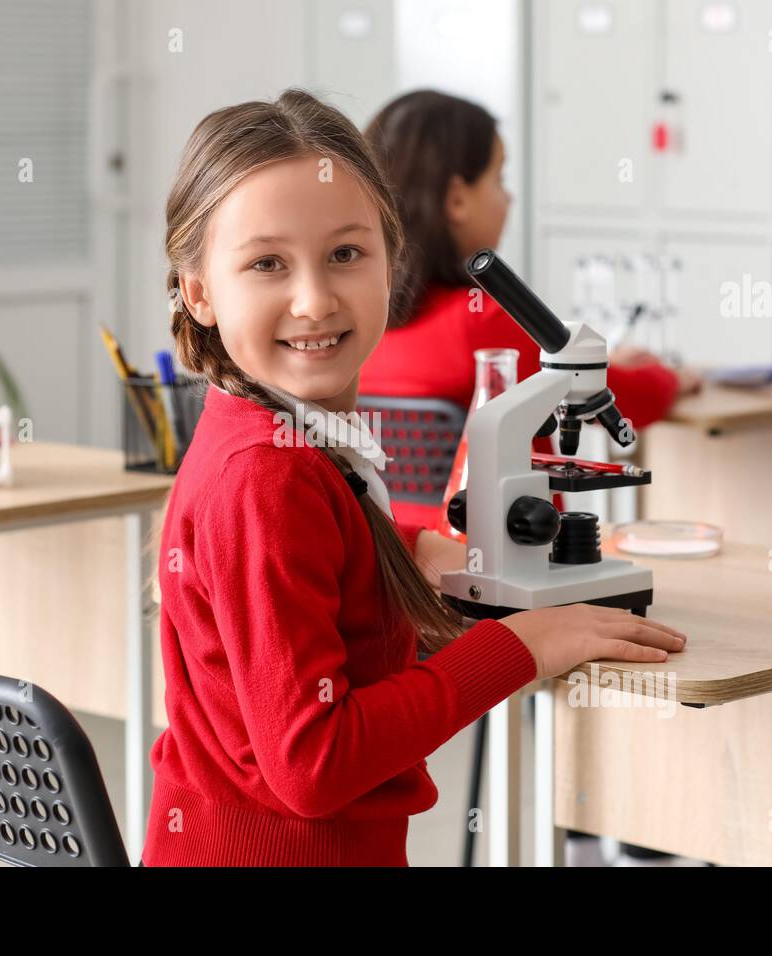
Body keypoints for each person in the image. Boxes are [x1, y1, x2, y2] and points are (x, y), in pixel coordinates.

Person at [142, 88, 687, 866]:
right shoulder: (266, 476)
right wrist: (523, 647)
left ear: (392, 260)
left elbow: (303, 556)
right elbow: (313, 764)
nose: (314, 298)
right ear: (198, 291)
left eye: (345, 254)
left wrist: (402, 547)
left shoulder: (260, 431)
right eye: (267, 263)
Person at [360, 89, 702, 529]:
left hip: (395, 555)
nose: (509, 199)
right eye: (499, 179)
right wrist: (671, 377)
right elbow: (621, 399)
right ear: (457, 198)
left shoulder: (361, 323)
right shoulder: (480, 320)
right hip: (504, 552)